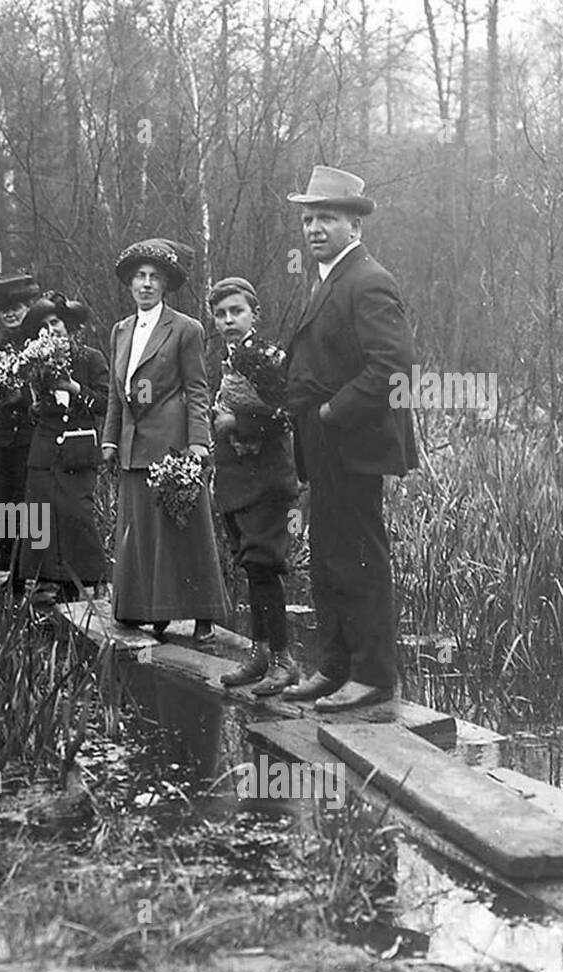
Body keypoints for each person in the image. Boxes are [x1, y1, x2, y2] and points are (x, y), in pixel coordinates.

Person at [281, 166, 418, 711]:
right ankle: (336, 667)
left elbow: (393, 365)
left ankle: (373, 677)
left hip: (353, 442)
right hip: (326, 443)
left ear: (354, 227)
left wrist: (332, 413)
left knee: (358, 555)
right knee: (329, 555)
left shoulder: (368, 279)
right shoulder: (331, 279)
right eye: (309, 218)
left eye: (327, 218)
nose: (315, 228)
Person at [101, 239, 229, 641]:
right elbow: (115, 392)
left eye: (155, 278)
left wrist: (198, 444)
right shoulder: (120, 330)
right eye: (140, 276)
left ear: (166, 285)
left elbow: (196, 389)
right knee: (140, 529)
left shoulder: (185, 328)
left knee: (186, 528)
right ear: (129, 283)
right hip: (132, 443)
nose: (146, 284)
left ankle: (203, 615)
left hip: (173, 443)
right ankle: (149, 609)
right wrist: (109, 440)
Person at [207, 276, 301, 696]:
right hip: (236, 479)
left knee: (264, 565)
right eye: (221, 314)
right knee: (251, 565)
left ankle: (284, 661)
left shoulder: (268, 357)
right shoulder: (228, 359)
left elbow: (287, 410)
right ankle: (260, 654)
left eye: (236, 312)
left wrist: (236, 423)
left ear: (254, 314)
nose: (229, 320)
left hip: (266, 479)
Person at [17, 292, 109, 604]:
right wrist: (38, 396)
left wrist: (74, 389)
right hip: (46, 446)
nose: (50, 330)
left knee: (76, 511)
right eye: (44, 327)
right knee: (40, 510)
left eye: (55, 322)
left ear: (68, 325)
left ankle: (88, 577)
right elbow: (32, 410)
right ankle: (46, 579)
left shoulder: (90, 358)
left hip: (78, 448)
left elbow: (105, 403)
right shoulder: (35, 362)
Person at [0, 272, 42, 571]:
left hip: (31, 434)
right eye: (4, 310)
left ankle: (29, 566)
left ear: (29, 307)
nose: (10, 313)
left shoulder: (41, 344)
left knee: (29, 502)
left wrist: (24, 395)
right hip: (0, 435)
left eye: (17, 307)